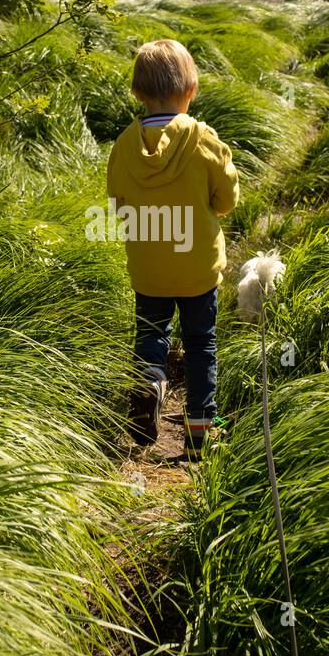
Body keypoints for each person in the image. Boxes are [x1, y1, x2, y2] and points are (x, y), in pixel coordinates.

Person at [105, 39, 239, 460]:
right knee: (201, 343)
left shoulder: (125, 144)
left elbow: (117, 204)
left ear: (138, 93)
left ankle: (149, 383)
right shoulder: (204, 139)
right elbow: (227, 199)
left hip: (148, 267)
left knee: (151, 334)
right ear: (192, 89)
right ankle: (200, 432)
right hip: (198, 268)